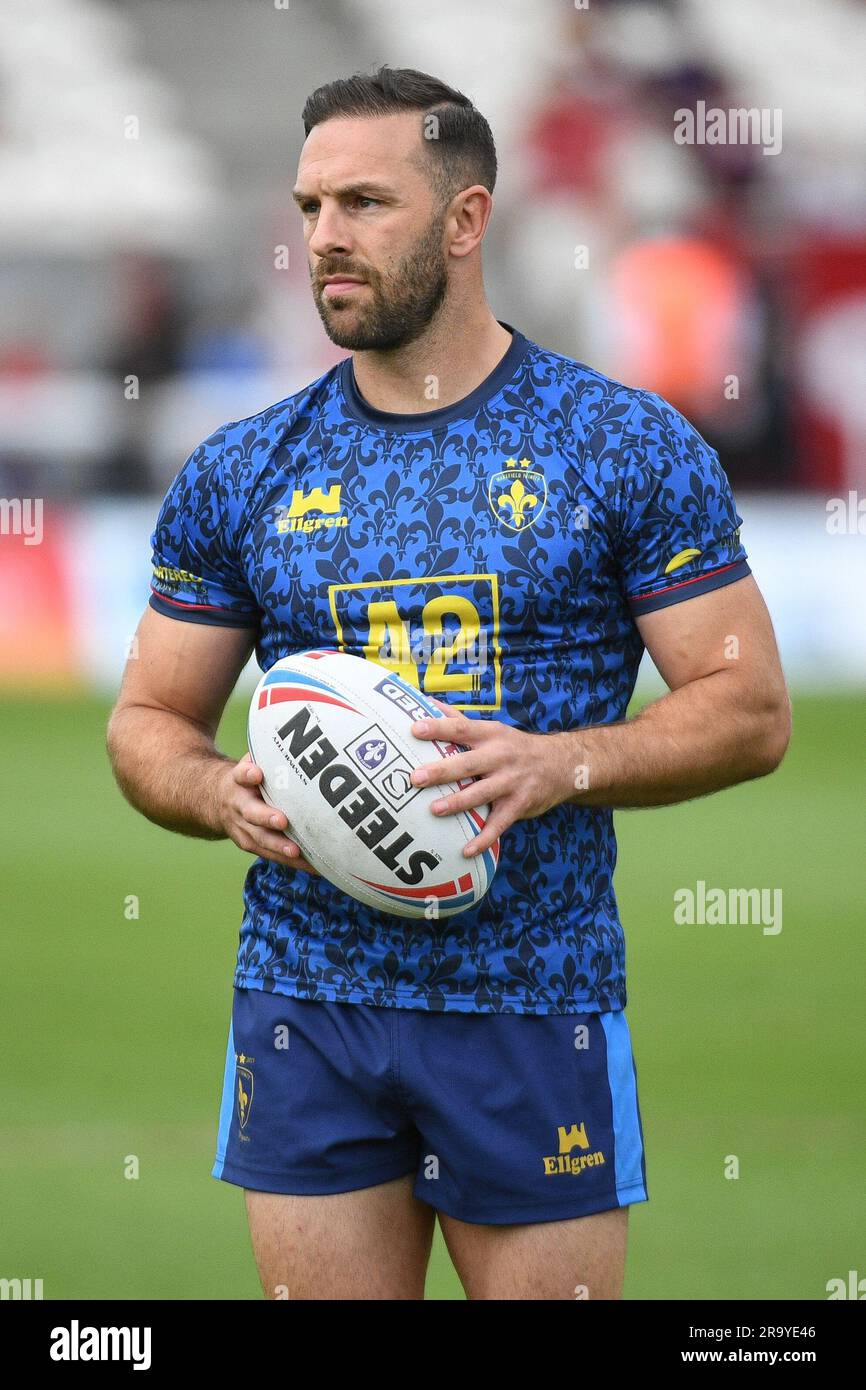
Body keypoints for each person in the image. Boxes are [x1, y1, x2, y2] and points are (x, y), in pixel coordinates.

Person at [106, 65, 791, 1301]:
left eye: (364, 203)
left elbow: (747, 709)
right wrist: (216, 796)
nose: (325, 239)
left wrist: (559, 760)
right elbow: (147, 722)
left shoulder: (620, 445)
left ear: (465, 220)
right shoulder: (242, 470)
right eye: (311, 206)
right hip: (306, 1000)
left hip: (533, 1005)